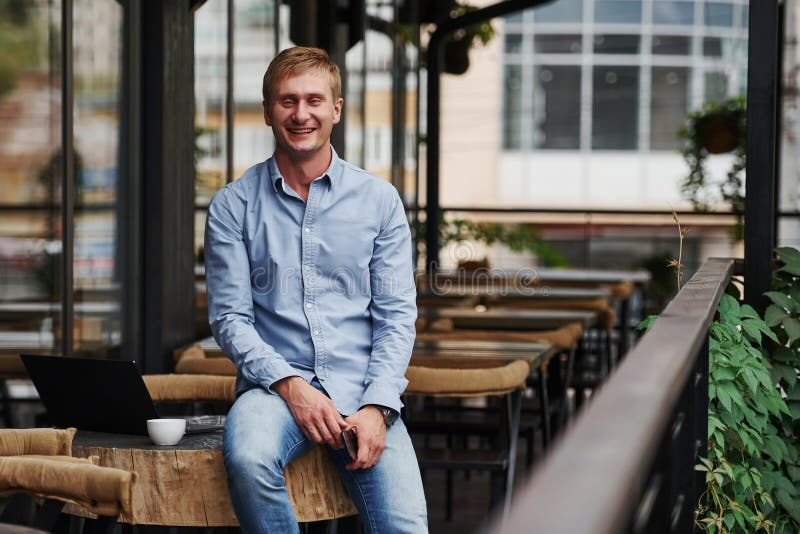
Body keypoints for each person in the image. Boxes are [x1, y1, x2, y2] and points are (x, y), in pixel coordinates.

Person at [204, 46, 428, 533]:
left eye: (314, 100)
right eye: (287, 101)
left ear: (336, 109)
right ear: (268, 111)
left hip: (362, 390)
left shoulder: (379, 201)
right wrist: (291, 386)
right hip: (274, 392)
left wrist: (378, 406)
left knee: (405, 527)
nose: (301, 114)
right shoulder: (232, 206)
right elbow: (229, 317)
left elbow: (396, 316)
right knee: (248, 458)